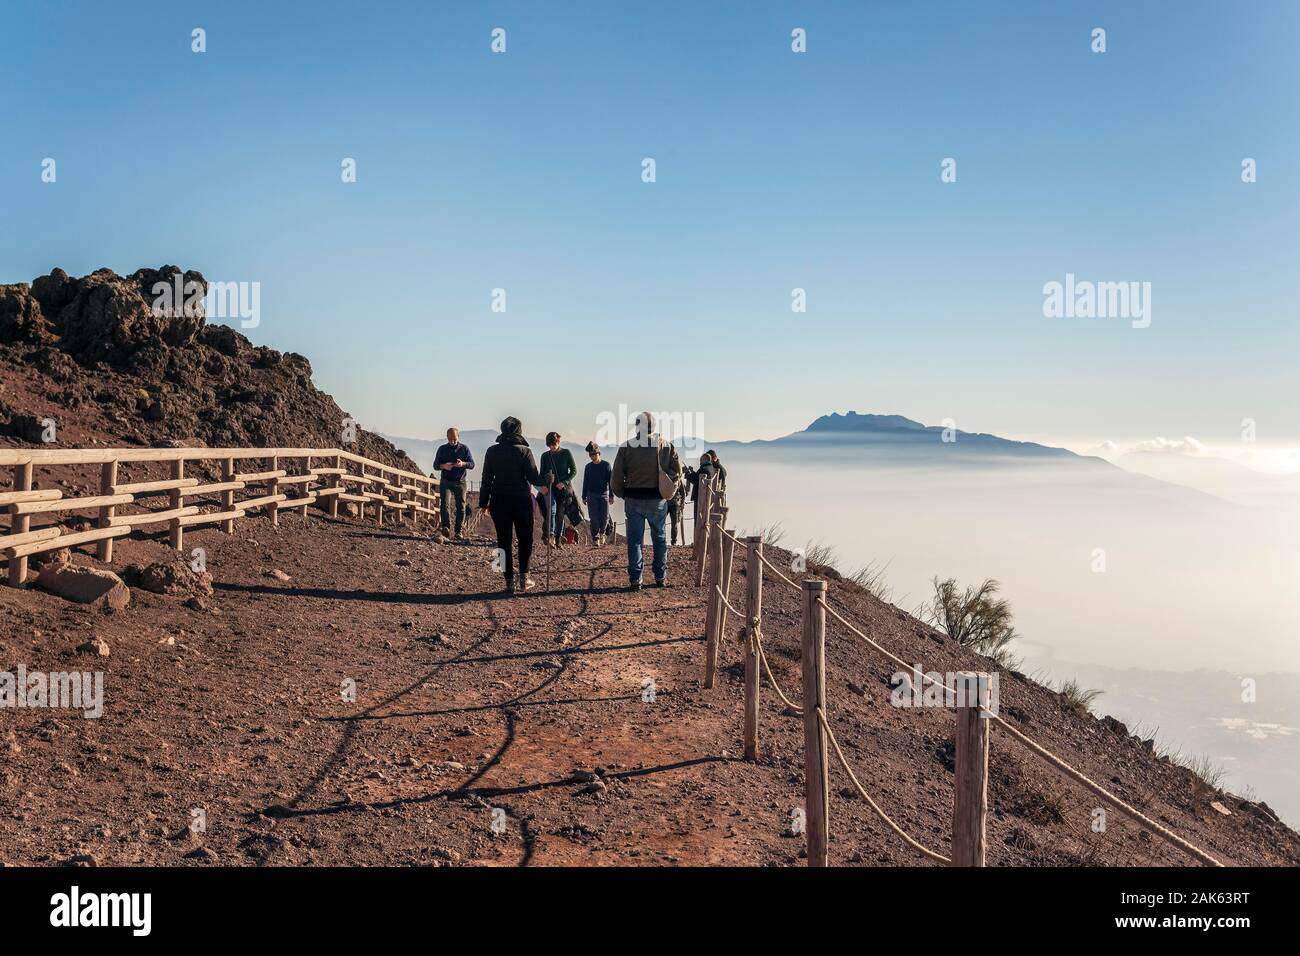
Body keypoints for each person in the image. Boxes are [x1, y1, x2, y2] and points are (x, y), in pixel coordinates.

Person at [611, 411, 682, 590]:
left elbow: (616, 478)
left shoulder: (626, 447)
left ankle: (636, 579)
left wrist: (622, 493)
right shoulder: (666, 446)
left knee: (634, 539)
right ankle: (660, 577)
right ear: (654, 426)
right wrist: (667, 486)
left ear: (637, 426)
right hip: (657, 500)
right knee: (659, 537)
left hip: (633, 499)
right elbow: (677, 472)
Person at [479, 417, 541, 595]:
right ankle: (524, 579)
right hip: (521, 499)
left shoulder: (492, 451)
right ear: (519, 431)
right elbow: (534, 478)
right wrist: (548, 478)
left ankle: (508, 582)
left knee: (503, 540)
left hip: (499, 500)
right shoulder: (525, 452)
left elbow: (486, 479)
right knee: (525, 539)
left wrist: (484, 503)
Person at [432, 427, 475, 539]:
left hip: (460, 481)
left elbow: (472, 464)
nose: (452, 441)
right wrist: (444, 466)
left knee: (461, 507)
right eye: (450, 439)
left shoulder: (464, 448)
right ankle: (446, 528)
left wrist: (463, 464)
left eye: (454, 439)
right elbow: (436, 466)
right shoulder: (442, 449)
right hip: (446, 481)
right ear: (447, 438)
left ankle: (458, 531)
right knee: (444, 505)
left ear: (458, 437)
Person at [538, 432, 577, 549]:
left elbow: (573, 471)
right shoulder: (545, 456)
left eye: (554, 444)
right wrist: (544, 485)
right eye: (550, 445)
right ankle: (550, 536)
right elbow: (542, 473)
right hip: (550, 487)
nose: (552, 447)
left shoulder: (566, 453)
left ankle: (558, 539)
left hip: (562, 489)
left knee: (560, 515)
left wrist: (564, 482)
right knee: (552, 510)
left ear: (558, 442)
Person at [582, 441, 614, 546]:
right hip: (591, 494)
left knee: (604, 517)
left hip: (604, 494)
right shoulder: (588, 467)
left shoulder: (606, 465)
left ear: (599, 453)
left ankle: (602, 534)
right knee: (594, 518)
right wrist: (583, 496)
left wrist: (611, 496)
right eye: (591, 455)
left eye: (594, 454)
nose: (593, 457)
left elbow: (611, 481)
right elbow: (585, 481)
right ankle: (595, 538)